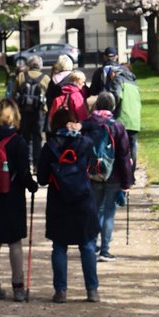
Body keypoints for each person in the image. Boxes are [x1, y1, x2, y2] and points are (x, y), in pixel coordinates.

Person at [37, 107, 100, 303]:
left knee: (59, 246)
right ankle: (92, 290)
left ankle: (61, 291)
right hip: (83, 199)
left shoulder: (49, 147)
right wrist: (85, 125)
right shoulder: (85, 143)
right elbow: (98, 128)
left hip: (59, 200)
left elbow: (42, 179)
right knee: (87, 245)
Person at [0, 99, 37, 302]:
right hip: (11, 196)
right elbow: (23, 173)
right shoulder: (17, 140)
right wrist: (32, 185)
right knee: (14, 242)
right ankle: (18, 287)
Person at [82, 91, 133, 262]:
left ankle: (92, 245)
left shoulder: (88, 124)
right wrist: (127, 181)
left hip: (93, 173)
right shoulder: (117, 126)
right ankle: (105, 250)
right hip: (113, 175)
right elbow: (124, 156)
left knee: (95, 210)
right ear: (113, 106)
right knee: (109, 212)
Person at [14, 55, 50, 170]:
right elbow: (48, 96)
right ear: (40, 65)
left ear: (28, 65)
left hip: (23, 111)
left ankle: (27, 162)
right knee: (38, 138)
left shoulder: (20, 76)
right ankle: (36, 164)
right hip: (39, 112)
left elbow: (15, 94)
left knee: (25, 137)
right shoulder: (45, 78)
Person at [44, 53, 77, 124]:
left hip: (58, 113)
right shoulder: (77, 77)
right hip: (74, 112)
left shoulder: (54, 79)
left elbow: (49, 98)